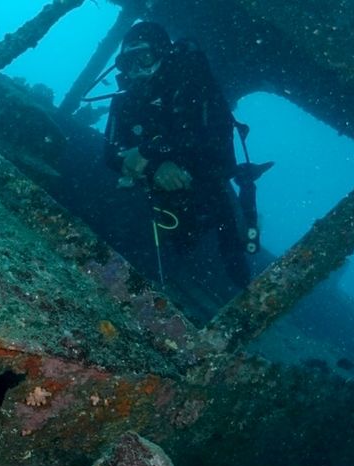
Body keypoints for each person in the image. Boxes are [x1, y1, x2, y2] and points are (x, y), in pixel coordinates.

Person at [104, 21, 251, 293]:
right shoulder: (125, 100)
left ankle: (245, 293)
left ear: (162, 53)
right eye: (127, 62)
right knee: (179, 244)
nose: (136, 68)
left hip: (208, 182)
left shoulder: (191, 87)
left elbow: (212, 138)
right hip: (160, 194)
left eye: (144, 57)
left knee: (231, 246)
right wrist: (154, 168)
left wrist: (148, 152)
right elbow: (110, 153)